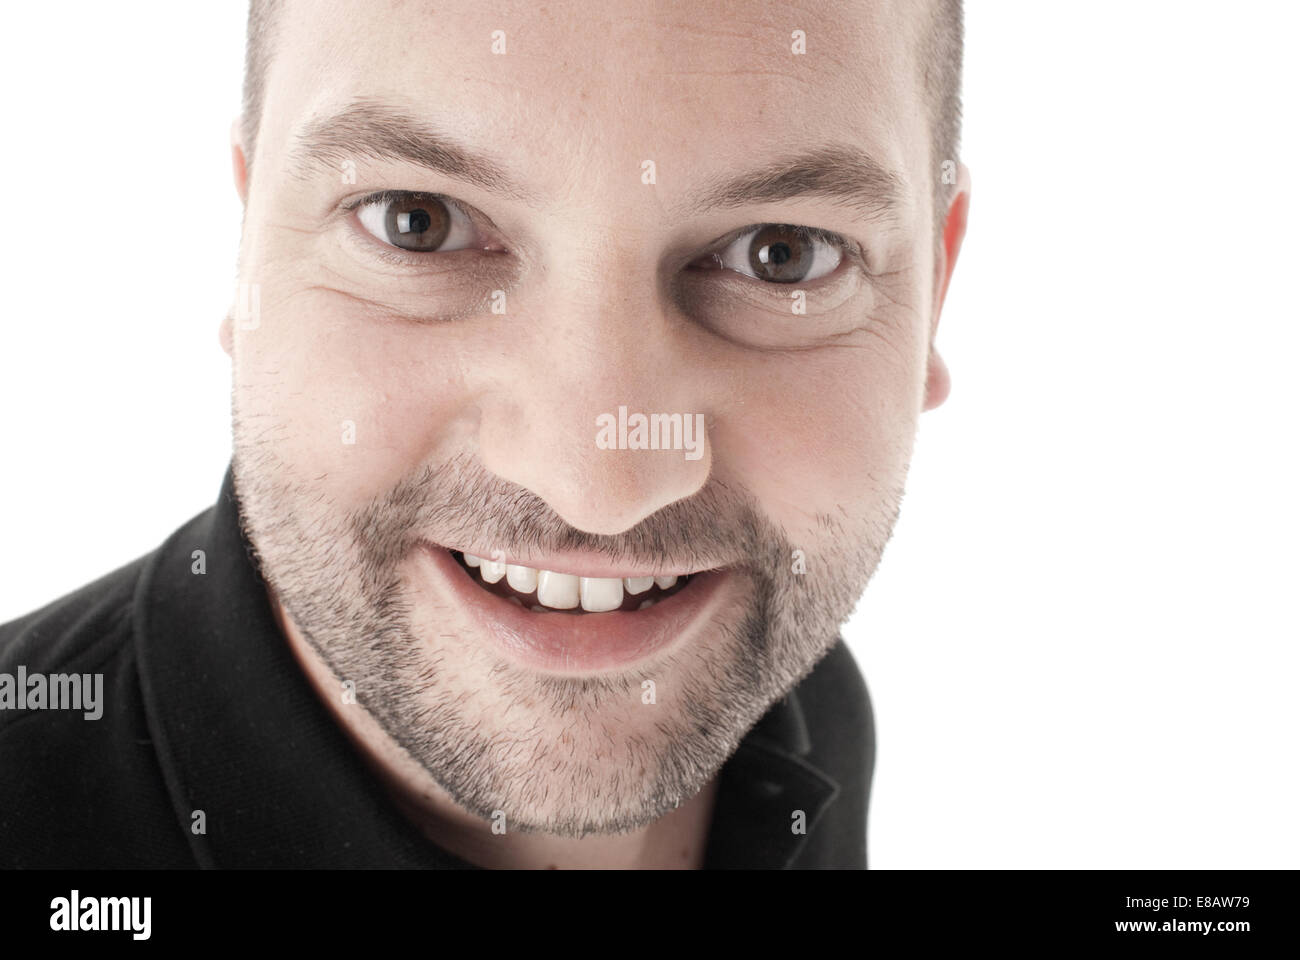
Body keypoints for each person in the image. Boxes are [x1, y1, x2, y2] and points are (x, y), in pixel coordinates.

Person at [0, 0, 969, 869]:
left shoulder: (794, 702)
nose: (597, 483)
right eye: (417, 224)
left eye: (781, 255)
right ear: (247, 243)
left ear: (932, 290)